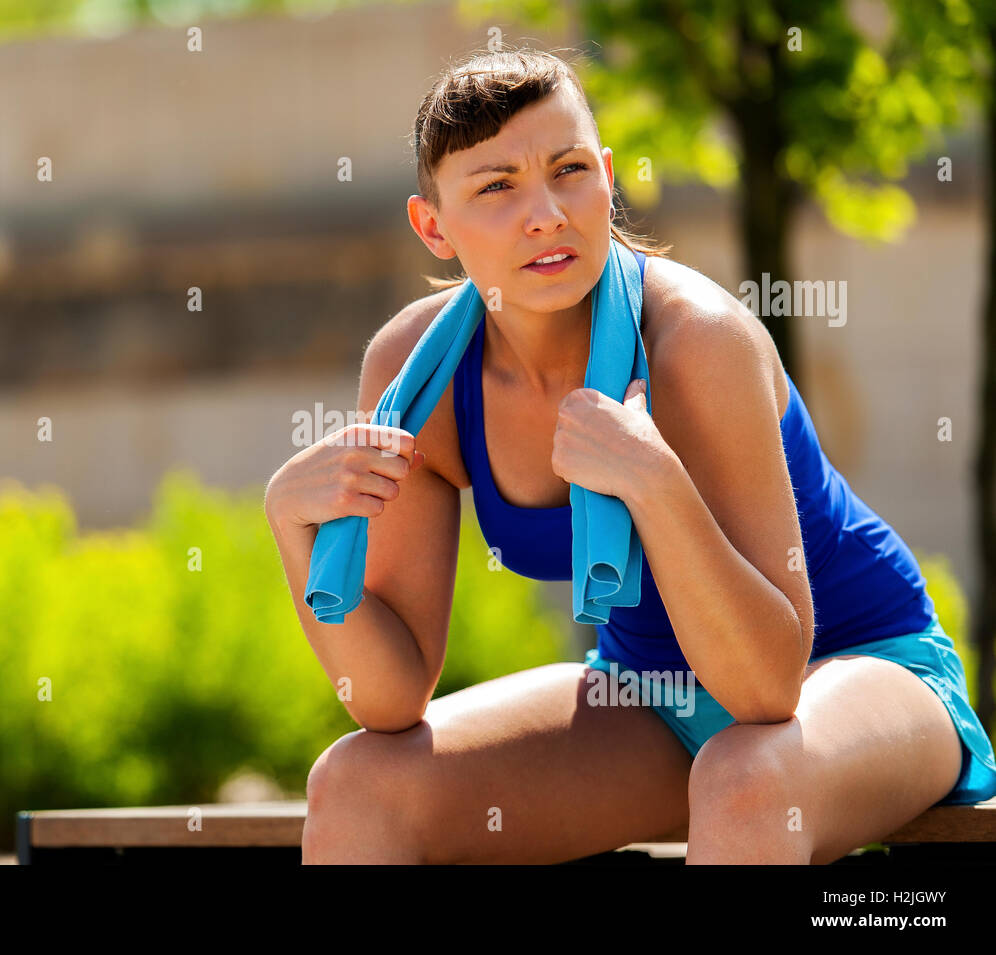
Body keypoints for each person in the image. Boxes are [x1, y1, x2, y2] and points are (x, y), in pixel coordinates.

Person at [262, 47, 996, 864]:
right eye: (497, 185)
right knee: (355, 786)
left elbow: (766, 689)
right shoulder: (415, 378)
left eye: (568, 169)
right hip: (647, 695)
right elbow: (391, 698)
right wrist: (293, 526)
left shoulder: (694, 344)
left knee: (745, 778)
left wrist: (653, 480)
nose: (546, 213)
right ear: (433, 226)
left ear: (607, 176)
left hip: (860, 669)